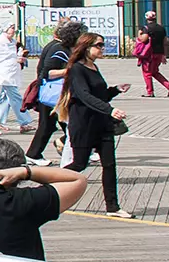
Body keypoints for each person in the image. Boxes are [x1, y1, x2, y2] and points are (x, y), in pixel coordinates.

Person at [57, 31, 134, 218]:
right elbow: (84, 96)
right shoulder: (76, 69)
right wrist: (110, 110)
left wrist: (115, 90)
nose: (102, 48)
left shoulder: (93, 67)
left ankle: (113, 207)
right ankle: (47, 186)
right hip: (84, 125)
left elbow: (98, 96)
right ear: (86, 47)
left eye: (102, 45)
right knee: (79, 163)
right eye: (98, 45)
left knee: (109, 164)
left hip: (101, 125)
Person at [24, 19, 82, 164]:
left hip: (57, 93)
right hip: (52, 93)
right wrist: (69, 70)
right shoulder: (58, 49)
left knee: (52, 125)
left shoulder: (63, 48)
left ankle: (35, 153)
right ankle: (34, 154)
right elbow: (46, 72)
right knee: (53, 125)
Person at [0, 24, 26, 129]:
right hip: (4, 74)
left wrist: (19, 59)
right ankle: (24, 121)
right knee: (15, 96)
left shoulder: (13, 42)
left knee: (5, 97)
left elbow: (12, 55)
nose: (14, 30)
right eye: (12, 28)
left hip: (12, 72)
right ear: (5, 29)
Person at [137, 10, 169, 97]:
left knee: (147, 73)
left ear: (146, 18)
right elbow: (165, 41)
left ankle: (150, 92)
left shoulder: (146, 28)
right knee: (155, 72)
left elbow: (143, 39)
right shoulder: (161, 28)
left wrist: (139, 34)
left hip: (149, 54)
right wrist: (164, 54)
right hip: (159, 53)